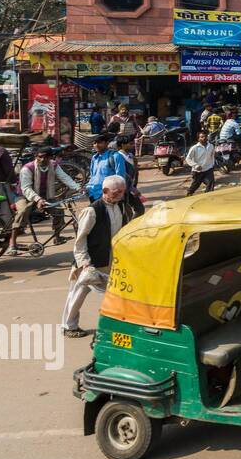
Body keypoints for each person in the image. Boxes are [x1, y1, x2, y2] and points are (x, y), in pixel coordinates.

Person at [61, 174, 135, 338]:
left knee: (115, 294)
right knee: (78, 294)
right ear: (105, 191)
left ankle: (117, 324)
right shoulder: (92, 211)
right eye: (116, 192)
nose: (120, 195)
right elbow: (80, 240)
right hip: (90, 262)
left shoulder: (121, 207)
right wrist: (85, 263)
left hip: (110, 260)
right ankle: (69, 326)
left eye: (122, 192)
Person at [10, 146, 81, 251]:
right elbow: (26, 188)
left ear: (50, 158)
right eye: (40, 157)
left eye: (46, 157)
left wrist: (78, 188)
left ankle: (57, 237)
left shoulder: (54, 165)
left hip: (45, 196)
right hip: (25, 196)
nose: (43, 159)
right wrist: (38, 199)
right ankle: (12, 242)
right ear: (36, 156)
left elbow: (64, 177)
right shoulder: (27, 168)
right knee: (23, 211)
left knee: (59, 210)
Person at [85, 133, 129, 201]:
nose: (96, 145)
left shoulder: (116, 156)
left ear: (107, 143)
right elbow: (92, 176)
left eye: (99, 143)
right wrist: (88, 187)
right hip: (93, 193)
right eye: (95, 143)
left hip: (109, 195)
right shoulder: (94, 158)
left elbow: (120, 177)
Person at [114, 135, 145, 216]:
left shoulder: (130, 156)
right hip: (124, 189)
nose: (132, 145)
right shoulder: (118, 156)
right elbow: (120, 175)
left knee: (138, 209)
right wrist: (132, 189)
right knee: (136, 210)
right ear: (122, 145)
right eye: (130, 144)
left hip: (129, 188)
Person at [183, 129, 217, 195]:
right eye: (202, 137)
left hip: (208, 169)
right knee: (195, 185)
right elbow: (188, 158)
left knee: (210, 183)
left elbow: (212, 155)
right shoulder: (194, 148)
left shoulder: (211, 146)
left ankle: (207, 197)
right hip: (197, 171)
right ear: (198, 139)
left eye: (205, 136)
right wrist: (195, 165)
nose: (204, 138)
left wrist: (212, 164)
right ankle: (189, 193)